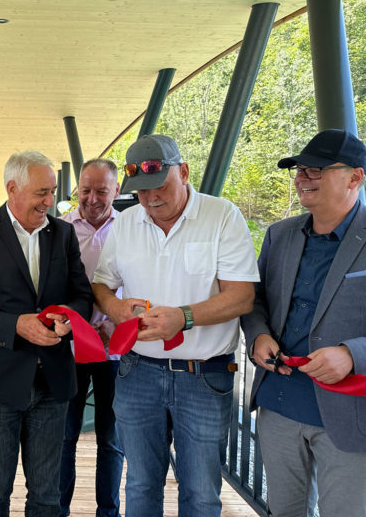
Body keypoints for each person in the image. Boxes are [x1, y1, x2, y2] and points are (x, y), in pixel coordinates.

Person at [92, 134, 257, 517]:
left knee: (201, 493)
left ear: (183, 172)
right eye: (141, 193)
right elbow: (101, 284)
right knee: (140, 484)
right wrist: (116, 309)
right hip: (137, 372)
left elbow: (242, 297)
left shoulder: (223, 216)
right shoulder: (128, 221)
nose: (150, 199)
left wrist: (182, 317)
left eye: (159, 187)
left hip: (204, 376)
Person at [0, 150, 93, 516]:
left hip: (54, 382)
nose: (50, 201)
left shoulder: (63, 233)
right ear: (12, 188)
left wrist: (67, 319)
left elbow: (82, 297)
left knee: (47, 495)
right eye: (41, 192)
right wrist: (17, 325)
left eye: (53, 192)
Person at [241, 129, 366, 517]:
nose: (302, 178)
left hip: (349, 415)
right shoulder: (280, 235)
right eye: (299, 170)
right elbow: (254, 301)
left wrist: (352, 354)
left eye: (316, 170)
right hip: (279, 404)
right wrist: (258, 334)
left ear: (355, 177)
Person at [58, 159, 123, 517]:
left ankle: (107, 512)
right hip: (70, 349)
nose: (92, 197)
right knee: (65, 436)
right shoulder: (60, 229)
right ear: (77, 189)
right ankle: (59, 509)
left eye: (101, 190)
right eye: (86, 189)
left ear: (116, 190)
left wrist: (120, 323)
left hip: (118, 351)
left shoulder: (131, 229)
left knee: (111, 441)